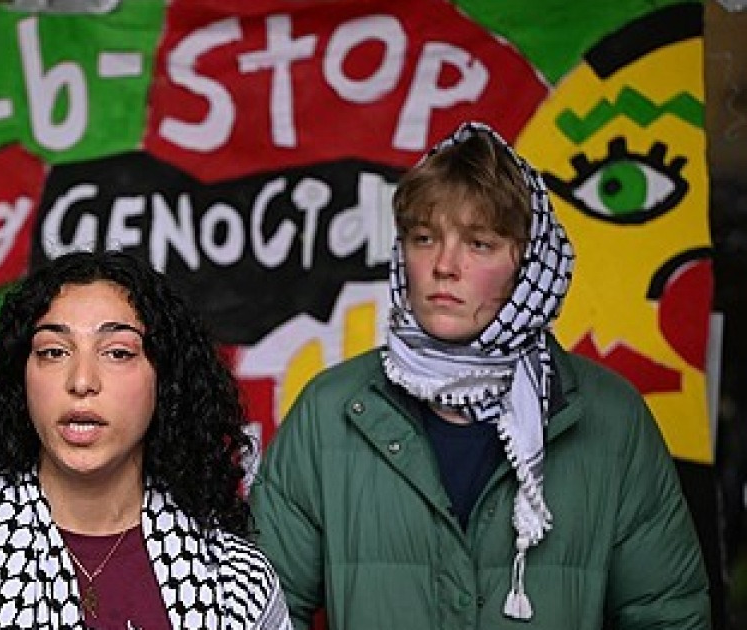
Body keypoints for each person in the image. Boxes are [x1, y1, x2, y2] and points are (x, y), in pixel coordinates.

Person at [250, 122, 710, 628]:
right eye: (424, 238)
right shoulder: (330, 411)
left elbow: (666, 616)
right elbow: (265, 613)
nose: (444, 265)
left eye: (479, 244)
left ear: (527, 264)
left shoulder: (609, 418)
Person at [0, 250, 291, 629]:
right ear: (20, 379)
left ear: (166, 380)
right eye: (54, 352)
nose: (82, 381)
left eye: (117, 352)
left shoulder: (238, 580)